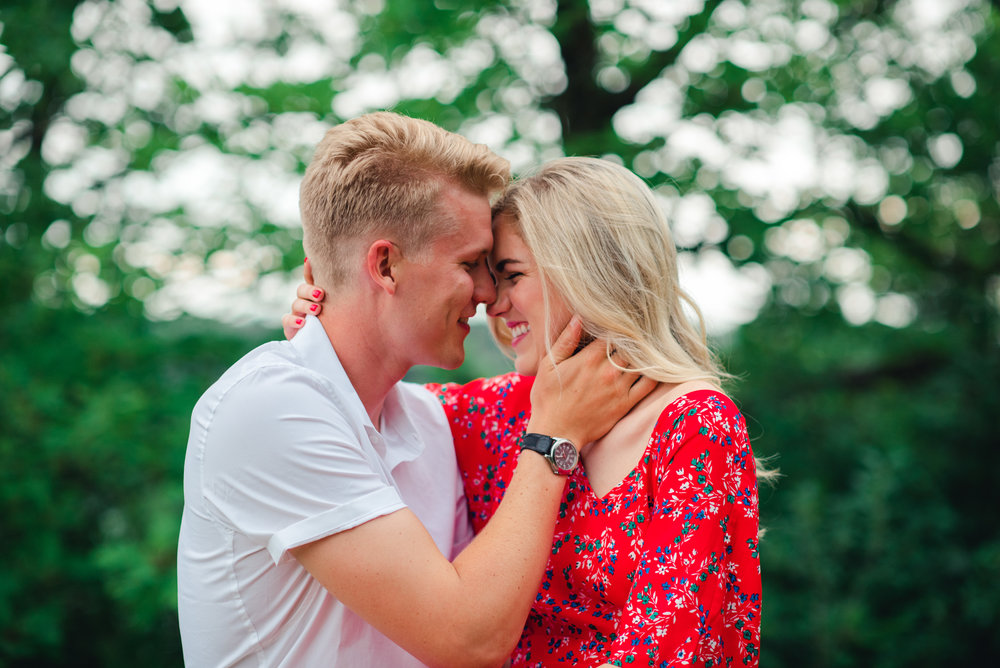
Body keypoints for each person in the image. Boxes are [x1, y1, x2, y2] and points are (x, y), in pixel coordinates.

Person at [178, 113, 654, 668]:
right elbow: (467, 641)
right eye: (470, 264)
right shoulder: (270, 410)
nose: (485, 293)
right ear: (385, 264)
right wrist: (553, 438)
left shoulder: (430, 422)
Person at [287, 156, 769, 666]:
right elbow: (362, 402)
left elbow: (671, 648)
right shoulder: (501, 411)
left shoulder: (694, 425)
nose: (491, 300)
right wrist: (331, 316)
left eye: (510, 274)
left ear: (586, 270)